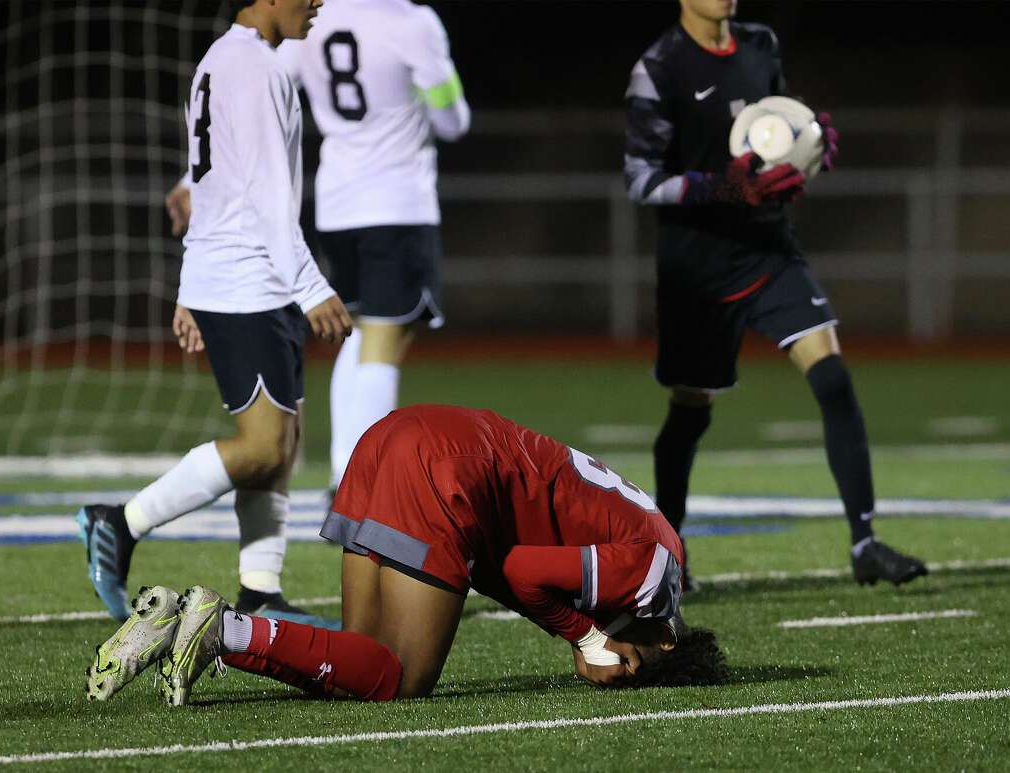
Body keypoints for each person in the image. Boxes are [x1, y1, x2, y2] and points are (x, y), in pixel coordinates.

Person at [84, 405, 728, 704]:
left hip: (396, 435)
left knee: (354, 664)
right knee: (404, 679)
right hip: (444, 467)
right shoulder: (653, 577)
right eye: (636, 663)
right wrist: (583, 636)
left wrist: (581, 633)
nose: (621, 664)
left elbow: (505, 565)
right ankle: (223, 627)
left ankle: (184, 623)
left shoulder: (654, 549)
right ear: (664, 642)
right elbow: (524, 572)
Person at [623, 0, 927, 587]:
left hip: (768, 251)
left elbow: (778, 127)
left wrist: (808, 149)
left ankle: (865, 542)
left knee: (834, 379)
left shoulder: (760, 44)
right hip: (697, 270)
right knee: (690, 411)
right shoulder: (659, 67)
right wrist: (724, 188)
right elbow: (641, 179)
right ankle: (669, 551)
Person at [78, 0, 352, 625]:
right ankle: (119, 523)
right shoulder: (252, 66)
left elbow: (224, 165)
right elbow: (264, 191)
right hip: (245, 281)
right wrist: (311, 287)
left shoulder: (231, 60)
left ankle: (261, 590)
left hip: (248, 276)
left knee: (284, 445)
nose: (318, 3)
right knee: (262, 447)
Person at [167, 0, 471, 497]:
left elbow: (242, 96)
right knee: (385, 339)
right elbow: (453, 120)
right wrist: (427, 88)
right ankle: (360, 479)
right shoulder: (413, 23)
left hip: (337, 204)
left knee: (357, 336)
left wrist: (190, 178)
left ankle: (346, 468)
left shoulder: (318, 21)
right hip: (396, 199)